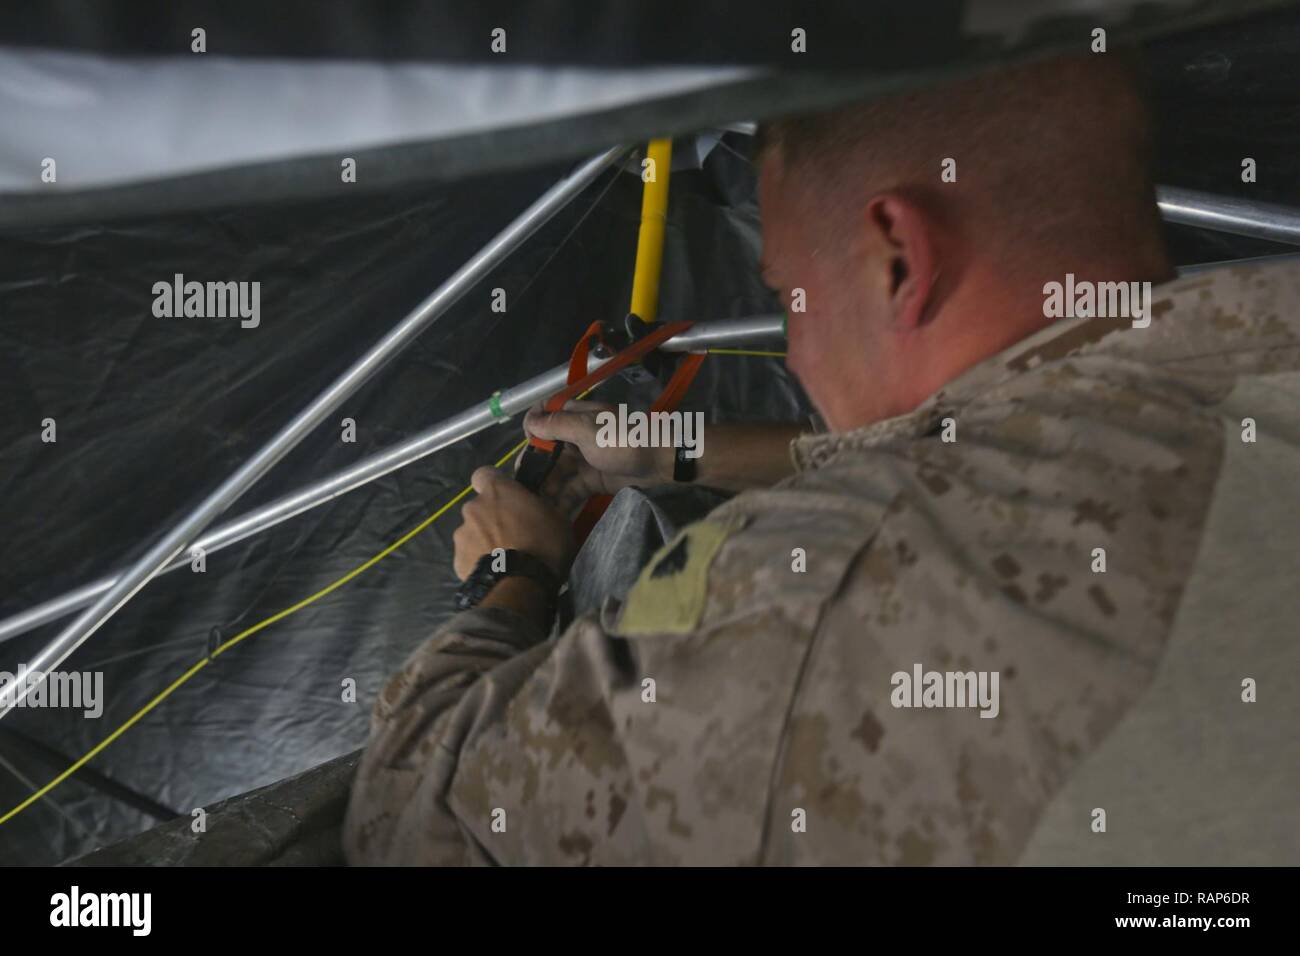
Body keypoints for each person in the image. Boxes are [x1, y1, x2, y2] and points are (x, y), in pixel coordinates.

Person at [344, 52, 1300, 865]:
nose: (794, 348)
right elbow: (1003, 440)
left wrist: (514, 577)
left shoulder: (823, 602)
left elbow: (414, 812)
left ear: (898, 256)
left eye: (790, 292)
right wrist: (677, 451)